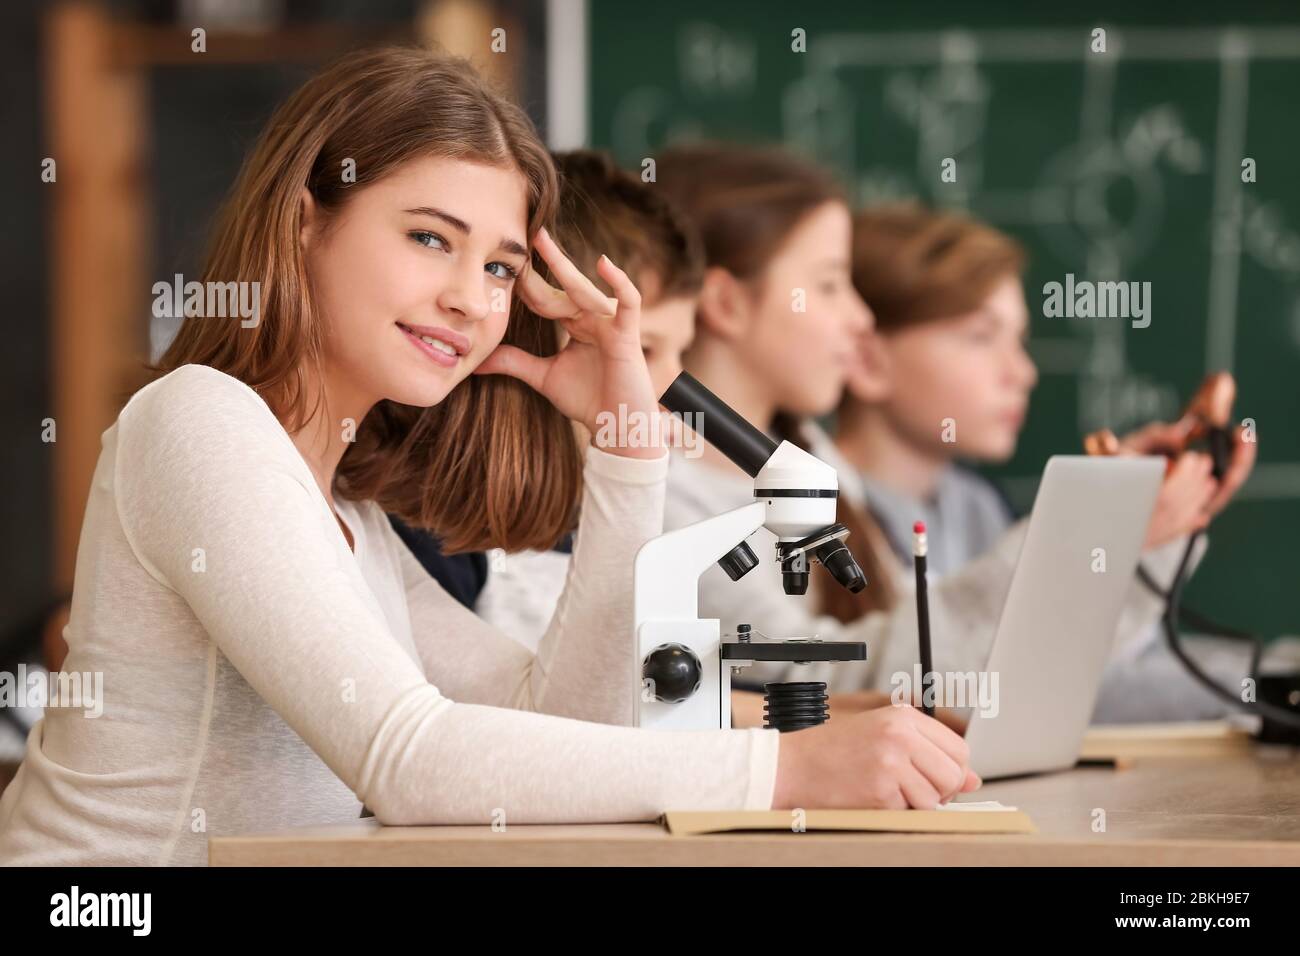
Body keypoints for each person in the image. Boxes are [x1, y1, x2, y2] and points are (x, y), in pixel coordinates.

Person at [0, 50, 978, 866]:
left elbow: (566, 726)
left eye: (502, 266)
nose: (474, 298)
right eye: (431, 238)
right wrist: (785, 772)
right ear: (306, 222)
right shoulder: (198, 420)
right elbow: (411, 758)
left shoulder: (352, 514)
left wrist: (624, 452)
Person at [652, 144, 1253, 727]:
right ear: (727, 303)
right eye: (830, 285)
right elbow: (835, 683)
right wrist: (1087, 536)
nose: (860, 320)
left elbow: (956, 664)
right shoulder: (673, 511)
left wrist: (1120, 527)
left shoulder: (810, 461)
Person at [835, 203, 1261, 721]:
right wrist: (1090, 534)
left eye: (1019, 340)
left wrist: (1137, 523)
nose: (1023, 373)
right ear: (866, 358)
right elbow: (940, 687)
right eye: (980, 337)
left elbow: (1076, 673)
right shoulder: (809, 524)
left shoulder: (974, 507)